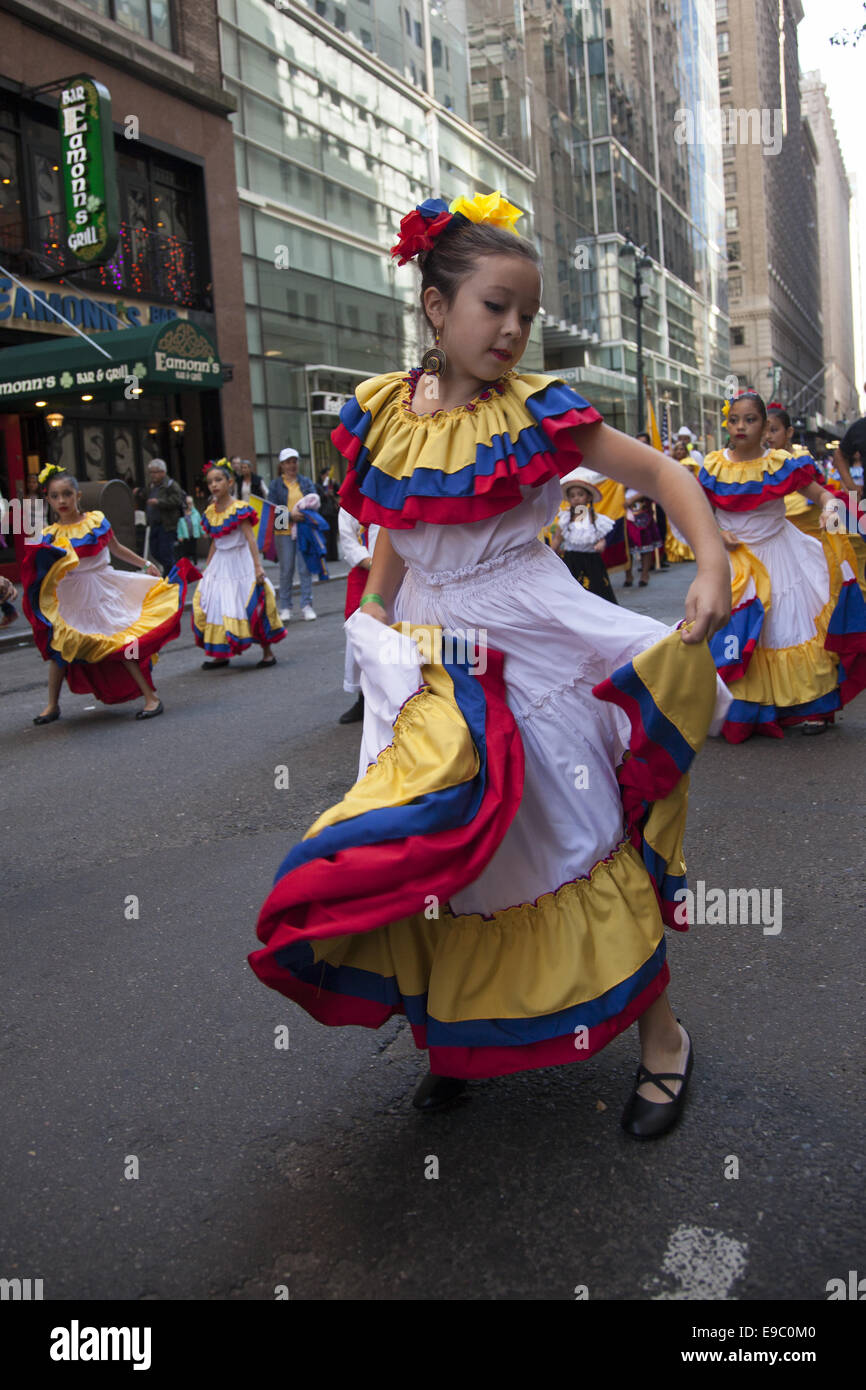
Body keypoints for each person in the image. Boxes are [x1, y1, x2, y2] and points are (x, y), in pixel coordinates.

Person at [250, 189, 733, 1139]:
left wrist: (712, 563)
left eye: (526, 313)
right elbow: (399, 519)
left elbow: (665, 476)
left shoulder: (540, 414)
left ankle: (664, 1040)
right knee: (452, 855)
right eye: (494, 307)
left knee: (571, 837)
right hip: (430, 661)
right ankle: (464, 1040)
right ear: (437, 306)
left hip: (531, 642)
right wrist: (380, 605)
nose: (513, 330)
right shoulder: (387, 409)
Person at [698, 390, 866, 740]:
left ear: (765, 427)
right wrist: (717, 532)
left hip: (782, 557)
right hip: (735, 563)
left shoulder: (779, 463)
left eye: (751, 420)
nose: (741, 426)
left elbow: (820, 494)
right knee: (738, 635)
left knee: (786, 629)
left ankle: (810, 708)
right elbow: (698, 513)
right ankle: (744, 711)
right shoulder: (713, 465)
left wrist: (831, 509)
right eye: (735, 420)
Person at [21, 465, 197, 723]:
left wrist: (144, 564)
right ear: (47, 500)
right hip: (71, 598)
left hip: (103, 590)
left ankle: (151, 697)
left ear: (78, 496)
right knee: (61, 648)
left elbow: (116, 548)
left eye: (67, 494)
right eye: (55, 496)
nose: (62, 501)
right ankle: (52, 705)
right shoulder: (49, 535)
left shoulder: (95, 521)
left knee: (123, 644)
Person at [192, 461, 285, 669]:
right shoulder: (210, 512)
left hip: (240, 562)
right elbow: (215, 542)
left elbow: (251, 539)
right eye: (210, 482)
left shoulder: (239, 509)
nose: (214, 485)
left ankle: (267, 652)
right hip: (220, 563)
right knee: (214, 602)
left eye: (218, 480)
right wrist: (207, 568)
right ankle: (220, 653)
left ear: (230, 482)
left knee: (249, 603)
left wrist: (258, 567)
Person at [337, 507, 380, 721]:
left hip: (399, 571)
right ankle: (363, 698)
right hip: (364, 573)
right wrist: (371, 563)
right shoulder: (350, 504)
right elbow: (347, 539)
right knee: (360, 634)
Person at [550, 468, 618, 603]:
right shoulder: (565, 519)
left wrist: (600, 545)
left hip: (592, 562)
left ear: (588, 497)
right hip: (571, 561)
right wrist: (551, 554)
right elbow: (557, 539)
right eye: (573, 496)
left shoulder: (596, 520)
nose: (576, 498)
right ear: (568, 499)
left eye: (580, 494)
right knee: (574, 594)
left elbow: (601, 540)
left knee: (597, 592)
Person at [267, 448, 317, 622]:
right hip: (283, 532)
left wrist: (304, 514)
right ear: (281, 465)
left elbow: (314, 501)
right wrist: (290, 516)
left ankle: (307, 605)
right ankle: (285, 607)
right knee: (286, 569)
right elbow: (271, 509)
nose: (292, 465)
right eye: (288, 462)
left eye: (294, 461)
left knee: (305, 569)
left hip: (304, 531)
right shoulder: (275, 485)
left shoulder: (305, 482)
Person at [144, 459, 186, 576]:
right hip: (154, 523)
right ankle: (173, 571)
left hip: (167, 524)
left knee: (165, 552)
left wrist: (159, 502)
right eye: (151, 472)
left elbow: (177, 500)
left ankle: (171, 577)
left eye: (155, 472)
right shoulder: (151, 486)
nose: (152, 475)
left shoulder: (170, 485)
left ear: (163, 472)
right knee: (154, 551)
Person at [624, 489, 663, 586]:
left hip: (643, 512)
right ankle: (628, 575)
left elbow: (649, 485)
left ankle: (645, 574)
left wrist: (634, 498)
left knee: (646, 545)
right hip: (624, 512)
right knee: (626, 546)